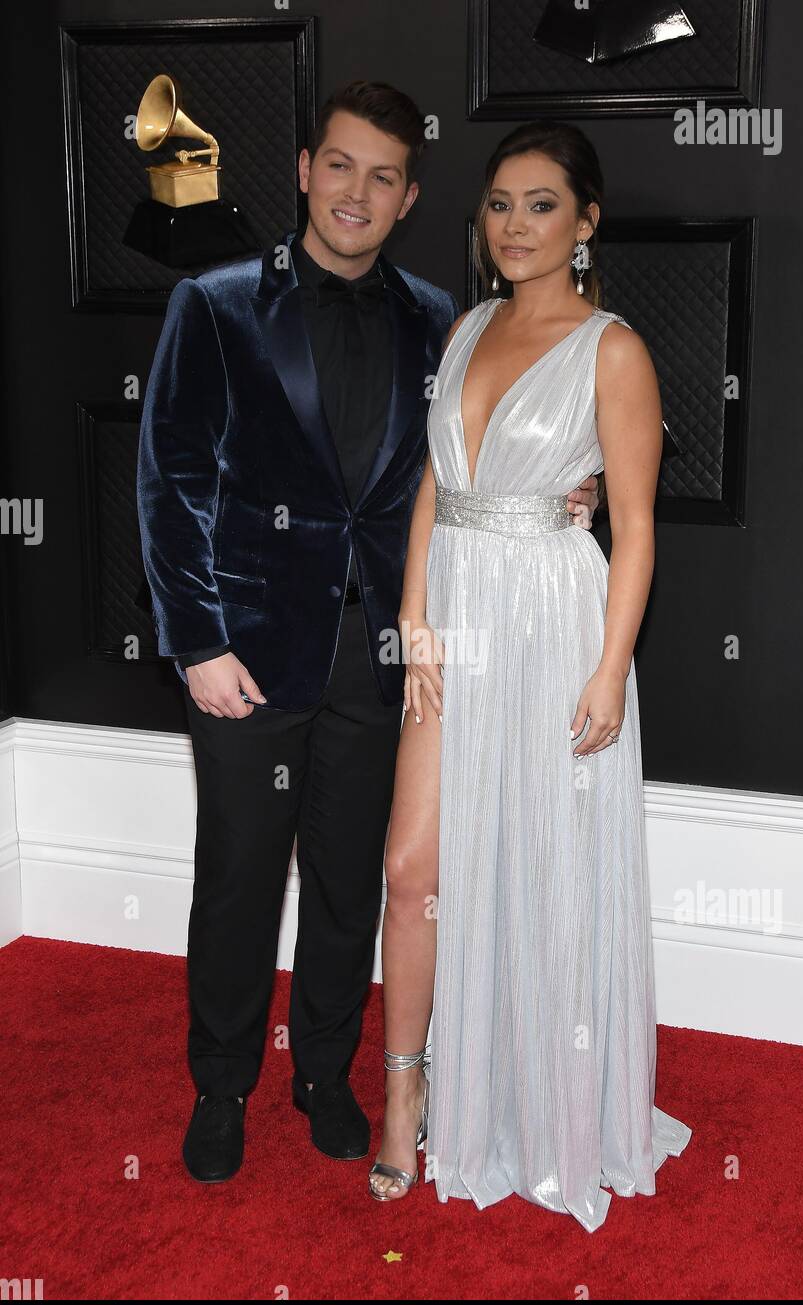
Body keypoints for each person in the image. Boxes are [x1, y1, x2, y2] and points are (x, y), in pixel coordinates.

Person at [136, 83, 601, 1183]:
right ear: (303, 169)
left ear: (407, 197)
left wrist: (562, 490)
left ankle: (325, 1075)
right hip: (245, 650)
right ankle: (222, 1085)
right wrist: (196, 642)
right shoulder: (213, 303)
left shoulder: (442, 315)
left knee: (353, 879)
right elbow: (168, 482)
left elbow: (476, 456)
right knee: (240, 877)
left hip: (390, 653)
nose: (357, 192)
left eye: (383, 176)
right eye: (339, 166)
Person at [369, 120, 692, 1231]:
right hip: (452, 624)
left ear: (584, 223)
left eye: (541, 204)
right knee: (412, 870)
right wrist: (413, 617)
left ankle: (545, 1105)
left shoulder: (613, 350)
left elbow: (637, 528)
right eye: (498, 204)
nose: (514, 224)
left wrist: (608, 668)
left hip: (555, 628)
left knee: (544, 870)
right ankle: (406, 1086)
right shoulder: (461, 330)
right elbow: (435, 485)